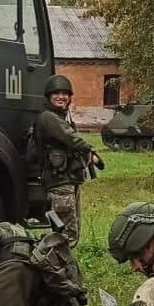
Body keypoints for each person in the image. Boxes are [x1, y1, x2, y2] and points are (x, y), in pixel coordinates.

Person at [33, 74, 101, 247]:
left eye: (65, 93)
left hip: (67, 181)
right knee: (67, 237)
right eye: (56, 93)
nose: (61, 97)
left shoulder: (60, 117)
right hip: (60, 183)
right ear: (49, 96)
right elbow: (71, 138)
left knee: (63, 233)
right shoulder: (49, 117)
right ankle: (57, 269)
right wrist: (90, 149)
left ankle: (55, 266)